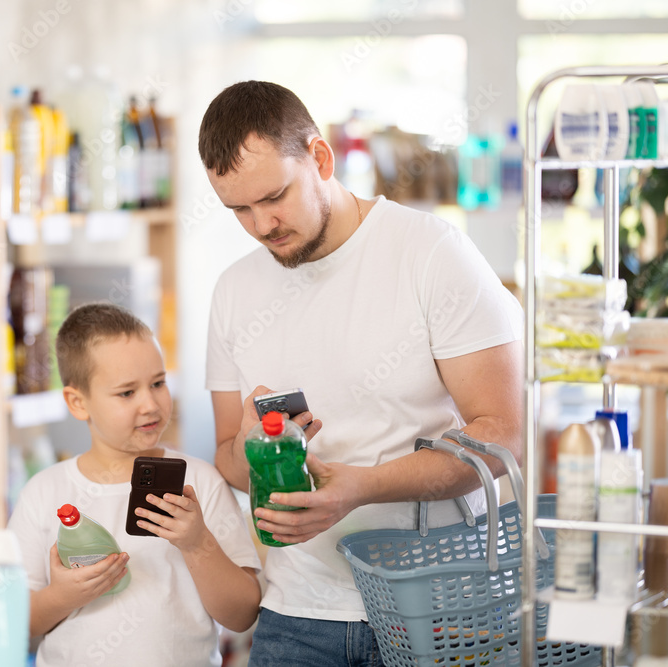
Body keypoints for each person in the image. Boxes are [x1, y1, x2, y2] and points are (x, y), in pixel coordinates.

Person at [198, 80, 524, 666]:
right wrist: (251, 451)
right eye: (239, 209)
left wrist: (361, 488)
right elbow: (225, 453)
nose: (261, 225)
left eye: (274, 197)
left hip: (438, 606)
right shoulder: (234, 292)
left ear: (320, 158)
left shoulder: (430, 255)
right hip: (296, 618)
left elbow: (503, 436)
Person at [8, 303, 262, 667]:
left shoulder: (199, 481)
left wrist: (197, 544)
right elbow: (16, 622)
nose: (150, 404)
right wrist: (61, 596)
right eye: (127, 393)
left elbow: (242, 614)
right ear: (78, 403)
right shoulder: (43, 491)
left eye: (158, 383)